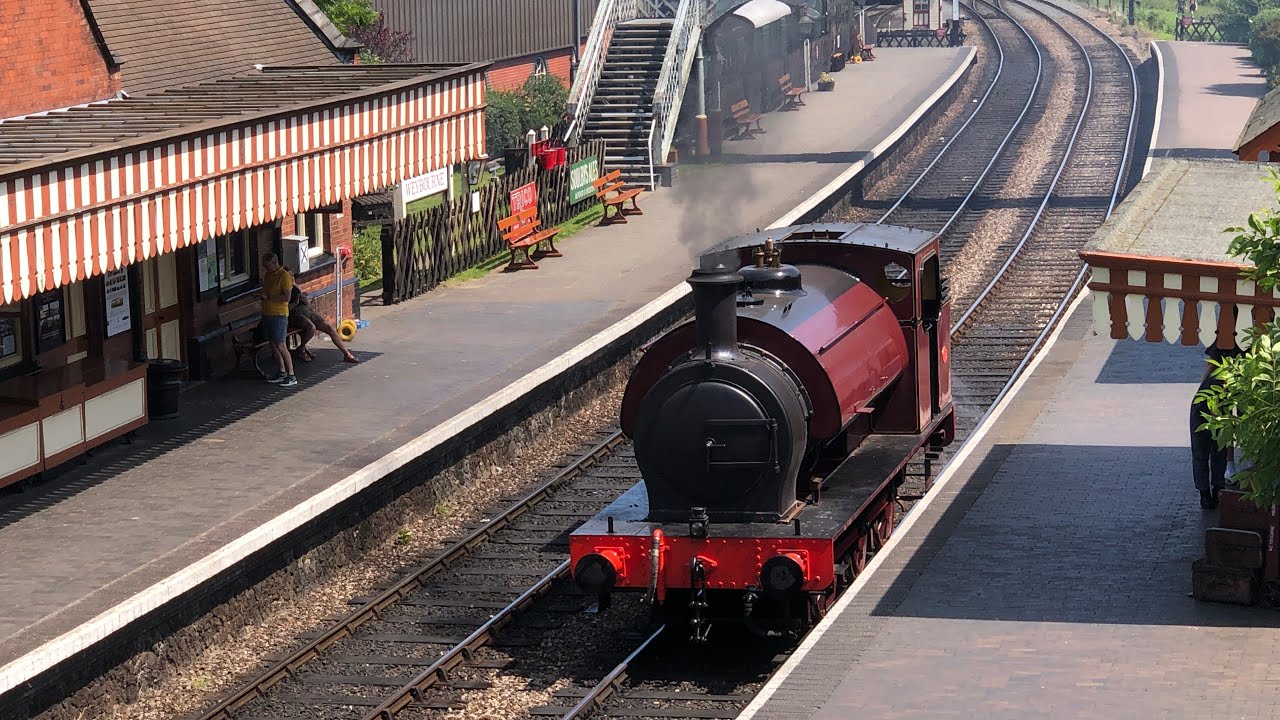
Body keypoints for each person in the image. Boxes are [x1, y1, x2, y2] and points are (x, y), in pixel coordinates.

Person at [1191, 339, 1242, 508]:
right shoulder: (1239, 354)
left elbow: (1207, 372)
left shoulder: (1222, 341)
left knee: (1201, 452)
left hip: (1203, 403)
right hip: (1213, 404)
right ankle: (1215, 491)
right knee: (1216, 450)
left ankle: (1206, 494)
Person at [288, 285, 359, 364]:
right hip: (294, 314)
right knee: (311, 327)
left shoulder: (295, 288)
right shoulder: (279, 289)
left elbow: (305, 303)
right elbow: (284, 309)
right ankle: (301, 348)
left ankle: (347, 354)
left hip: (307, 311)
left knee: (329, 328)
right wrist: (295, 303)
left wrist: (304, 300)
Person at [259, 253, 297, 387]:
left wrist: (269, 298)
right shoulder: (268, 275)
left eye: (267, 265)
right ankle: (281, 371)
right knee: (273, 344)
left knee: (281, 344)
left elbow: (287, 297)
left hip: (279, 314)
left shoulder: (284, 276)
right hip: (267, 313)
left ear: (274, 263)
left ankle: (291, 374)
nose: (265, 268)